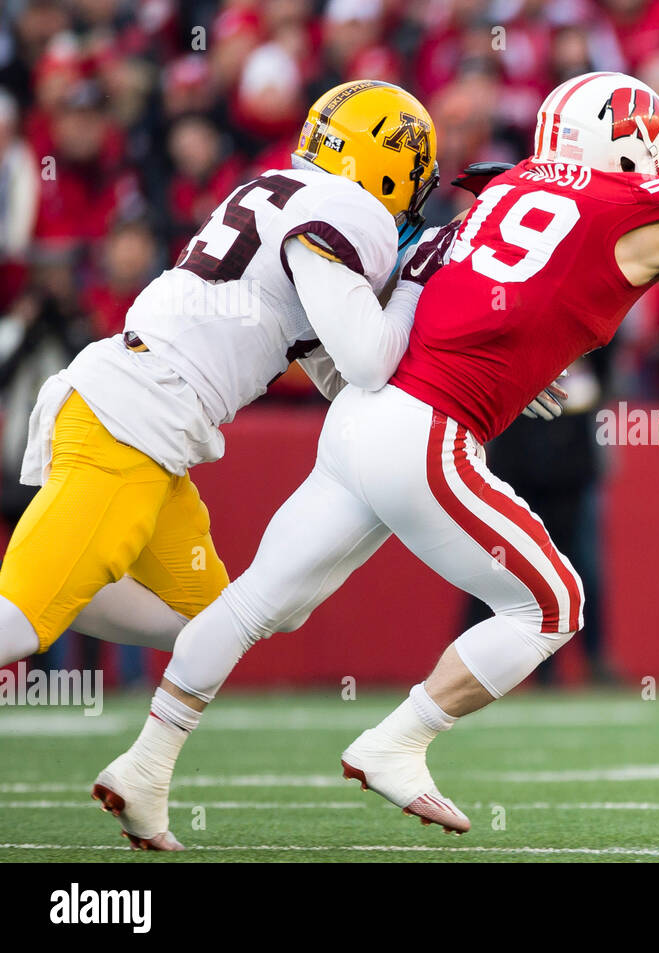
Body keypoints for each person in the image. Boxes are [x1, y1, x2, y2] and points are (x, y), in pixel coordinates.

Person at [93, 70, 659, 850]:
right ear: (624, 148)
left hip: (356, 417)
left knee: (260, 603)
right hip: (424, 428)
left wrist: (528, 359)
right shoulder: (630, 210)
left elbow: (471, 291)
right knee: (551, 604)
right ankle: (398, 740)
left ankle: (147, 764)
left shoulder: (508, 187)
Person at [0, 80, 443, 673]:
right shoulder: (350, 209)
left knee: (208, 624)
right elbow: (368, 360)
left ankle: (61, 581)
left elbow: (349, 378)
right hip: (134, 420)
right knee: (20, 624)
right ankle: (51, 587)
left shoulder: (279, 192)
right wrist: (414, 282)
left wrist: (482, 366)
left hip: (143, 414)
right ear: (391, 168)